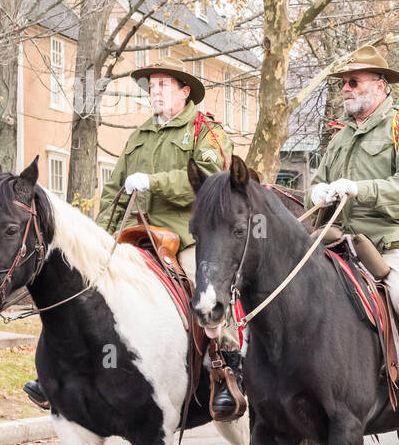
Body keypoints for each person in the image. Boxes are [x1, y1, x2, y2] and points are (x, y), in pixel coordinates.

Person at [24, 58, 238, 416]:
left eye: (163, 85)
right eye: (151, 86)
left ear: (185, 92)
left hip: (186, 235)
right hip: (135, 237)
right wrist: (98, 241)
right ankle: (56, 375)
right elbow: (113, 190)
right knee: (81, 288)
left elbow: (211, 181)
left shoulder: (205, 132)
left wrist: (154, 183)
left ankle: (225, 370)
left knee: (206, 290)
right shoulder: (140, 136)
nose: (155, 92)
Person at [309, 45, 399, 431]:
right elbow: (318, 184)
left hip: (397, 238)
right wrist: (316, 193)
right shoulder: (339, 139)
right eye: (342, 85)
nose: (346, 90)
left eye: (354, 82)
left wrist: (360, 189)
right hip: (342, 239)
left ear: (380, 85)